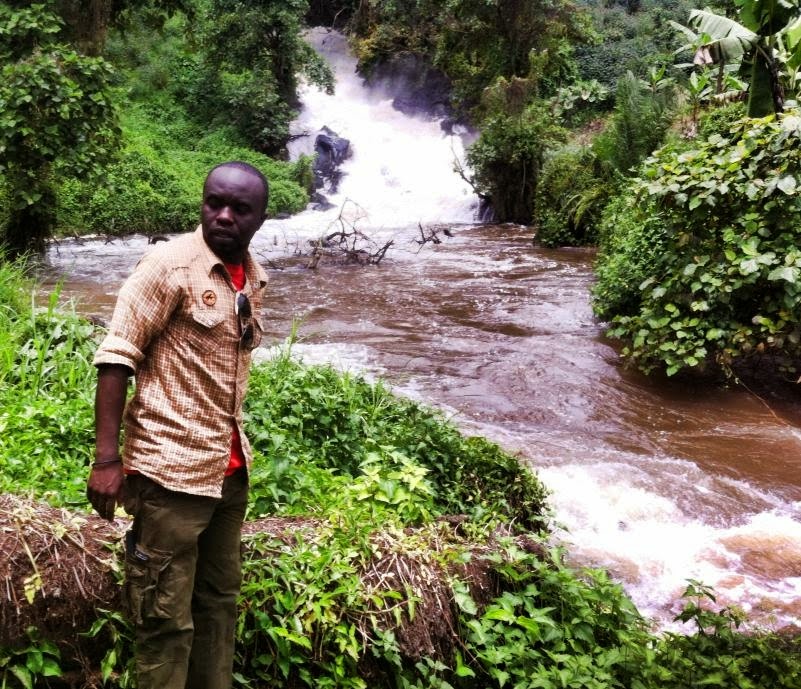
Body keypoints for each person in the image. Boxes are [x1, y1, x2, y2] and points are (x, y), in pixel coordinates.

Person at [86, 161, 270, 689]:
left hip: (228, 475)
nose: (224, 216)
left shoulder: (254, 278)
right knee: (165, 623)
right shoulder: (167, 266)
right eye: (214, 203)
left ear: (261, 217)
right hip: (171, 477)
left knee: (218, 608)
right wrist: (107, 460)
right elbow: (116, 357)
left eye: (239, 209)